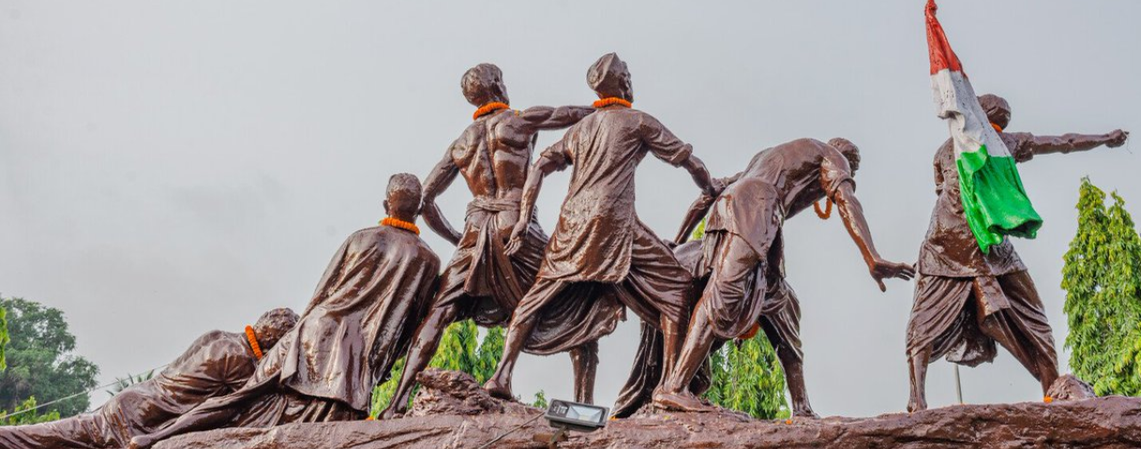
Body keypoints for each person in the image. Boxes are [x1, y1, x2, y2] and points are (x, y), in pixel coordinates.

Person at [129, 173, 441, 447]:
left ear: (385, 204)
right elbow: (410, 328)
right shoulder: (428, 260)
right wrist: (378, 368)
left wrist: (298, 335)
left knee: (241, 397)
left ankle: (155, 437)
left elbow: (323, 292)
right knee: (327, 427)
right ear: (419, 208)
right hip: (354, 358)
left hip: (316, 332)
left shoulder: (361, 238)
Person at [481, 53, 717, 401]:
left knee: (533, 301)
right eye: (629, 74)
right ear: (622, 82)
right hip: (615, 224)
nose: (631, 80)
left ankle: (501, 376)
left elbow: (540, 167)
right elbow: (688, 161)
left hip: (572, 224)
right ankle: (671, 387)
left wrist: (522, 219)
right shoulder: (638, 121)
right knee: (678, 289)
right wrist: (711, 188)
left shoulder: (579, 130)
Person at [381, 63, 605, 418]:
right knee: (581, 305)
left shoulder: (461, 143)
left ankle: (396, 404)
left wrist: (456, 236)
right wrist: (607, 106)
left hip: (473, 231)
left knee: (439, 314)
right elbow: (570, 115)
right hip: (516, 227)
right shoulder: (520, 120)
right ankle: (580, 415)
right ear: (498, 85)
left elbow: (425, 201)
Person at [648, 138, 915, 416]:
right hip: (756, 210)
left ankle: (802, 408)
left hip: (741, 212)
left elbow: (711, 192)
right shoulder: (833, 155)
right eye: (851, 172)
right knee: (723, 296)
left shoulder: (770, 158)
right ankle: (674, 387)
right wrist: (871, 257)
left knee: (779, 301)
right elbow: (847, 200)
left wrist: (678, 240)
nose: (848, 176)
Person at [905, 94, 1128, 412]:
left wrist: (1104, 139)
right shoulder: (997, 143)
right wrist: (1104, 139)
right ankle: (918, 400)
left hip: (970, 244)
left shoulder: (953, 148)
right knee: (929, 321)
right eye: (1001, 116)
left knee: (1027, 320)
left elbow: (940, 189)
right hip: (957, 245)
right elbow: (1061, 142)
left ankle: (1052, 397)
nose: (1004, 121)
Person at [0, 308, 297, 449]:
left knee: (53, 435)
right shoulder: (241, 361)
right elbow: (232, 407)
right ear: (273, 338)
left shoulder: (219, 336)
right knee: (48, 438)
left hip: (133, 399)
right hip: (140, 420)